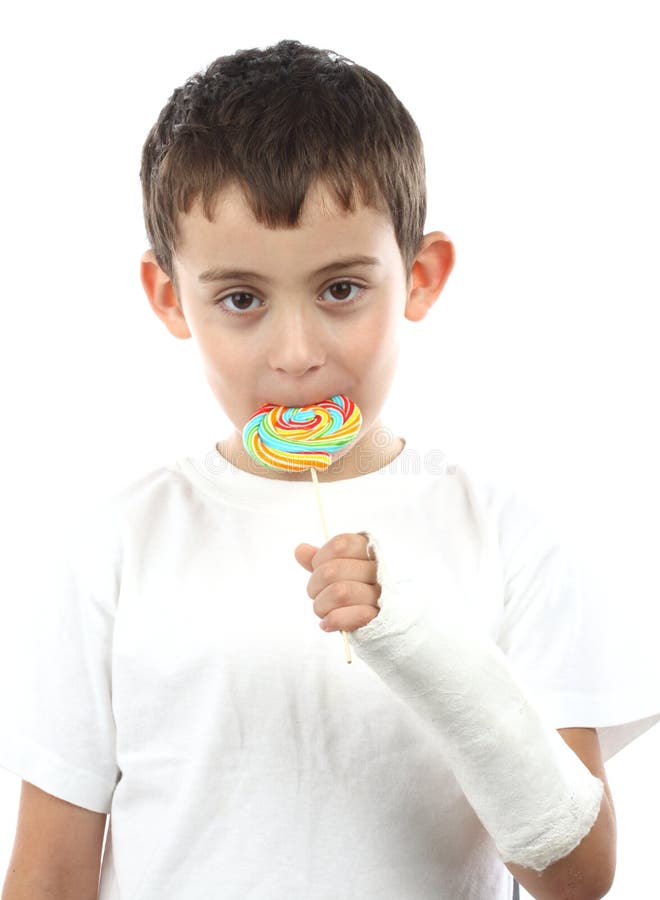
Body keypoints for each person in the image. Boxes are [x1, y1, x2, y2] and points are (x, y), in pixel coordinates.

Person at [1, 38, 658, 900]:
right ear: (170, 299)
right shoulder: (115, 543)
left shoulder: (506, 531)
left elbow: (576, 874)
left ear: (420, 277)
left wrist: (426, 640)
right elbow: (48, 872)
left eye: (341, 289)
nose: (298, 354)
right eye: (241, 300)